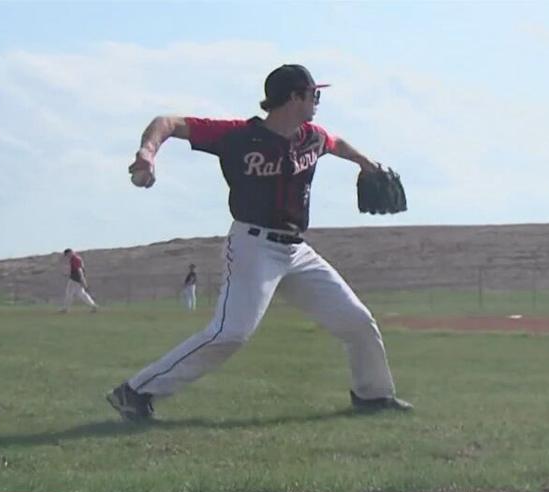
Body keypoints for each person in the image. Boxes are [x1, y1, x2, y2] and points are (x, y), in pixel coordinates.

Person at [106, 64, 412, 422]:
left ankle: (373, 396)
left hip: (297, 251)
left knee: (357, 321)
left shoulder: (311, 136)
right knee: (230, 333)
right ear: (294, 97)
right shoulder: (236, 136)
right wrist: (148, 152)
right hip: (253, 246)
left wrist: (365, 163)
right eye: (313, 93)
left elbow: (336, 143)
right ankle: (136, 391)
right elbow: (168, 122)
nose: (317, 99)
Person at [60, 248, 98, 313]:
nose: (67, 256)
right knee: (80, 294)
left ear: (70, 252)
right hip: (76, 279)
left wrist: (82, 279)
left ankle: (65, 309)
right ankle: (93, 306)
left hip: (75, 279)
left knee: (71, 293)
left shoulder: (75, 259)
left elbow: (79, 269)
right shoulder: (75, 258)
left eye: (67, 255)